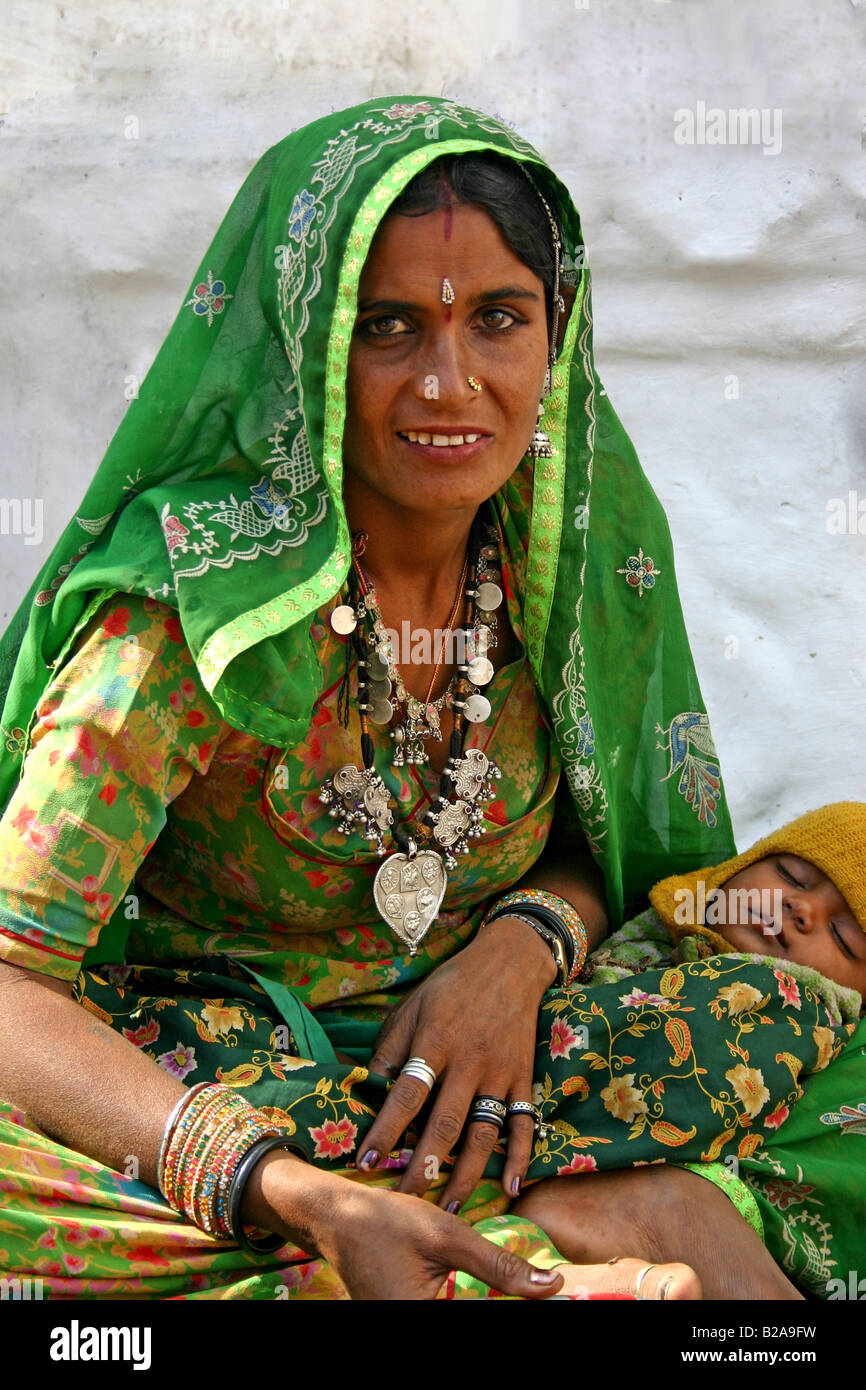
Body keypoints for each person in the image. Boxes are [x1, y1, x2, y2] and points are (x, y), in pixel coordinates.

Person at [0, 93, 801, 1302]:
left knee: (798, 1011)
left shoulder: (561, 576)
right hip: (210, 1087)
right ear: (303, 349)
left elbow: (615, 858)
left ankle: (520, 1224)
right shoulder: (194, 625)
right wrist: (276, 1181)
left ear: (557, 334)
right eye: (386, 327)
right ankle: (491, 1240)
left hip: (501, 1070)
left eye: (497, 320)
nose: (448, 381)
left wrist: (521, 950)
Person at [506, 801, 866, 1300]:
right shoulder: (642, 929)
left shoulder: (801, 1003)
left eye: (845, 938)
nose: (801, 911)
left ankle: (627, 1203)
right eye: (792, 875)